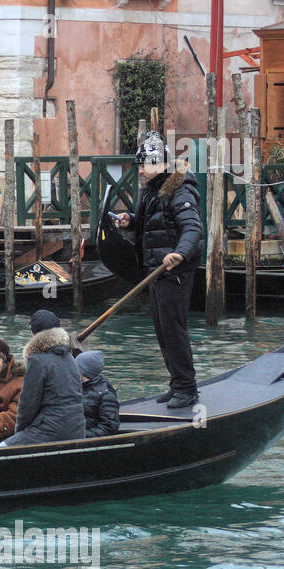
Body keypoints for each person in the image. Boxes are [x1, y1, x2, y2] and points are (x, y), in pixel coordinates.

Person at [113, 131, 203, 408]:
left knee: (173, 329)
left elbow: (192, 227)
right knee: (163, 330)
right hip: (156, 269)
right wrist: (131, 220)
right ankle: (177, 384)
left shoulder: (180, 190)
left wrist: (180, 253)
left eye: (143, 165)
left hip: (174, 271)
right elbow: (153, 222)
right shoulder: (152, 191)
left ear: (160, 165)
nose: (139, 170)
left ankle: (186, 389)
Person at [0, 309, 85, 447]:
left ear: (33, 333)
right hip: (78, 427)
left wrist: (20, 434)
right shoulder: (70, 357)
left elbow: (28, 404)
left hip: (51, 430)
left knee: (2, 447)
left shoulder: (36, 360)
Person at [76, 349, 120, 438]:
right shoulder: (74, 386)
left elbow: (109, 427)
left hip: (84, 440)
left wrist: (82, 436)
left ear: (84, 372)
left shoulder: (105, 394)